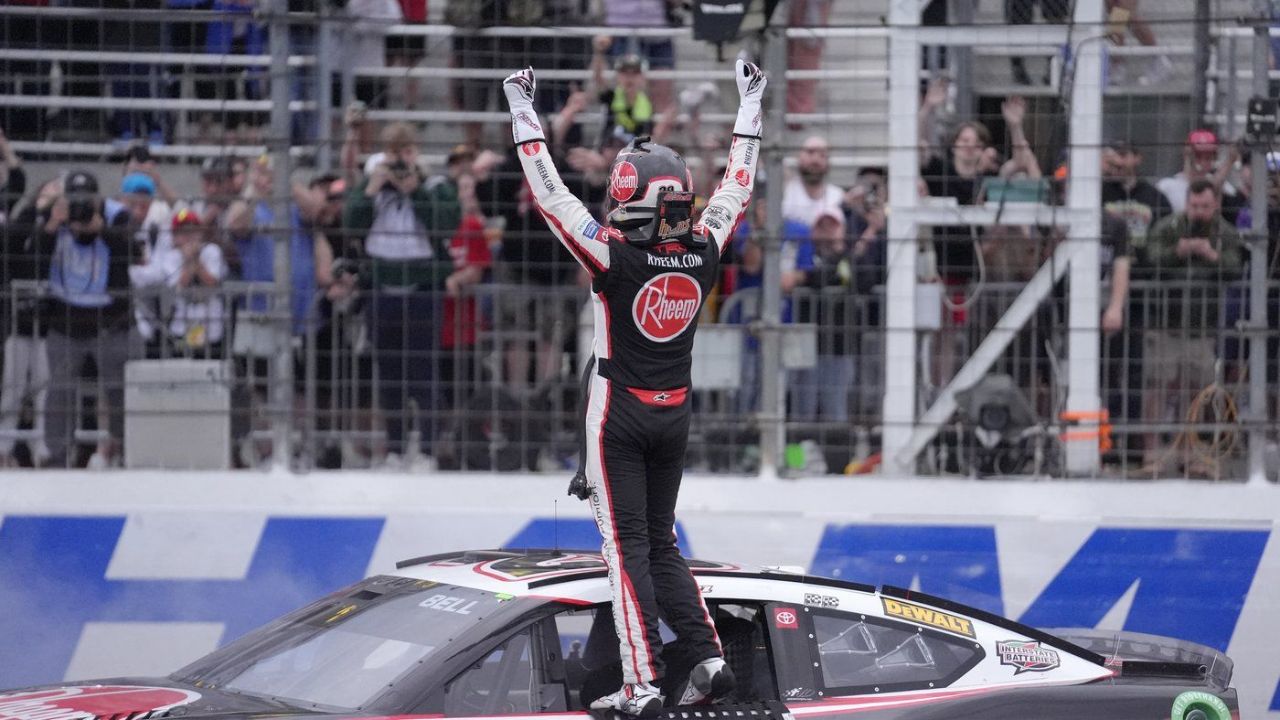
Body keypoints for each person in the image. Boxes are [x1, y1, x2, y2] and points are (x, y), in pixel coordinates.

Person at [501, 60, 765, 716]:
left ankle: (641, 683)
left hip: (616, 412)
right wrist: (750, 103)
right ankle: (707, 657)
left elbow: (551, 195)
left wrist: (521, 110)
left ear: (629, 199)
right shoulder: (705, 247)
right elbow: (738, 185)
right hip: (676, 412)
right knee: (662, 540)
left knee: (624, 551)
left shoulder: (610, 255)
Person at [344, 122, 460, 468]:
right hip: (383, 289)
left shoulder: (435, 185)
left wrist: (415, 191)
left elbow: (445, 224)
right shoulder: (373, 184)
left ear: (416, 153)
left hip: (423, 290)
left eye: (406, 152)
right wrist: (371, 189)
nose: (400, 161)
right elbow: (351, 223)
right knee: (389, 373)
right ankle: (394, 448)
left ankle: (425, 448)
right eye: (394, 154)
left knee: (424, 371)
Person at [31, 171, 143, 467]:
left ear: (97, 197)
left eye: (88, 198)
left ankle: (122, 452)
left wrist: (101, 229)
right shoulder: (54, 213)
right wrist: (51, 223)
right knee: (60, 392)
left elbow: (135, 253)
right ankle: (56, 456)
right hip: (66, 319)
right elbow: (29, 258)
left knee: (118, 392)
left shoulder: (116, 215)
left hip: (111, 321)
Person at [1140, 180, 1245, 475]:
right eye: (1194, 206)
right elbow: (1150, 258)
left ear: (1215, 206)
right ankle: (1151, 453)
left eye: (1205, 207)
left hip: (1203, 328)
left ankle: (1189, 453)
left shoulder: (1224, 231)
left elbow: (1236, 265)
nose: (1199, 212)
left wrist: (1212, 255)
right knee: (1157, 389)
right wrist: (1180, 250)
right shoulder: (1168, 227)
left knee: (1196, 392)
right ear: (1187, 203)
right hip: (1165, 324)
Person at [782, 136, 844, 230]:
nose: (815, 160)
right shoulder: (784, 192)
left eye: (822, 155)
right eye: (810, 152)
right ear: (798, 157)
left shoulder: (838, 196)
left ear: (828, 162)